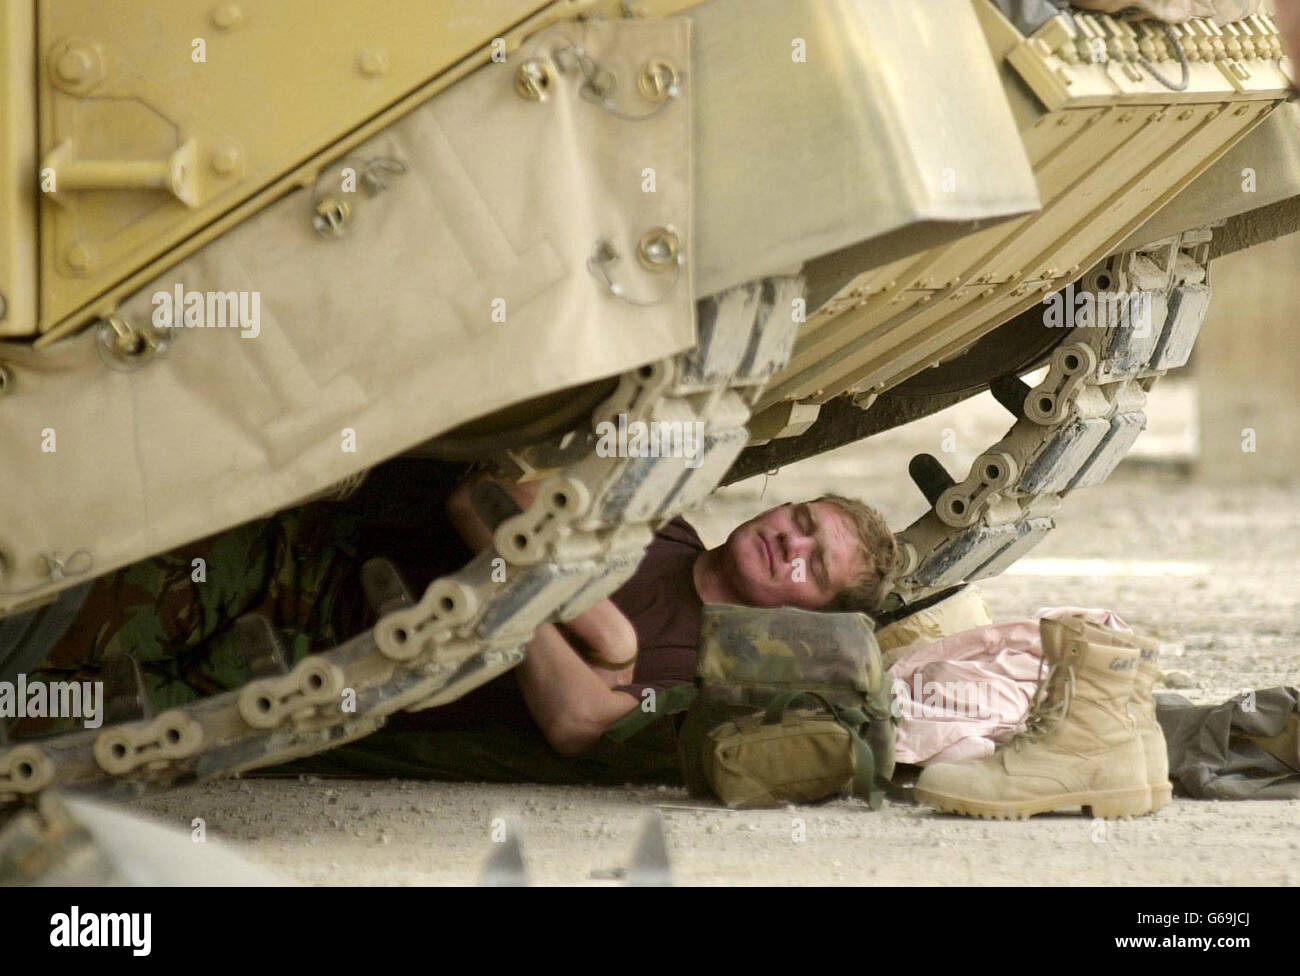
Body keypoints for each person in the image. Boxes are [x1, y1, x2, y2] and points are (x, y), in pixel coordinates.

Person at [440, 471, 897, 755]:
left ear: (807, 618)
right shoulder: (659, 522)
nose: (790, 543)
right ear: (779, 507)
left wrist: (521, 580)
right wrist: (605, 635)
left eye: (813, 566)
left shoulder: (705, 672)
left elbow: (575, 721)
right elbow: (484, 495)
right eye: (801, 522)